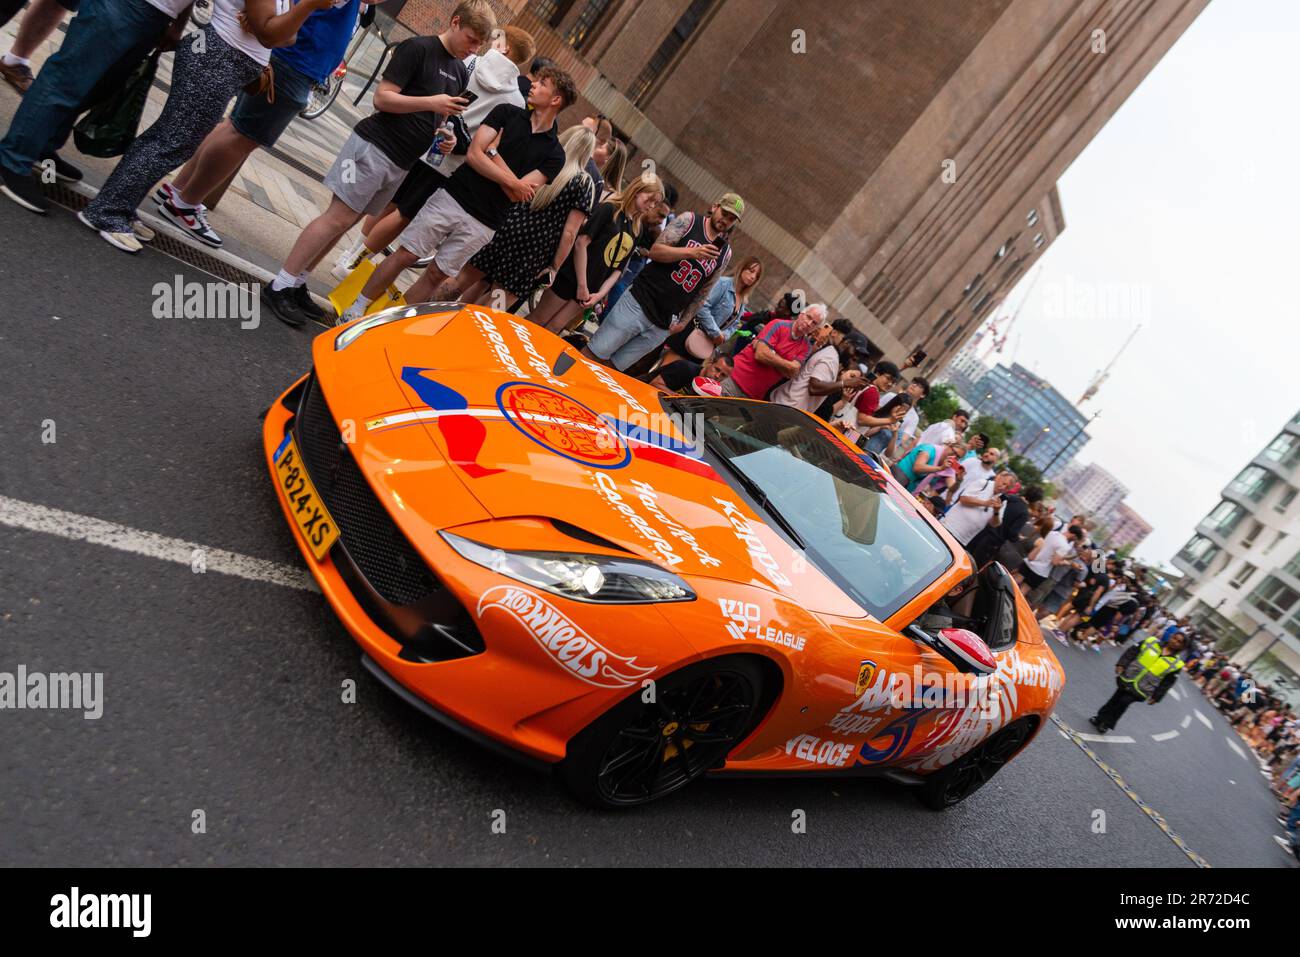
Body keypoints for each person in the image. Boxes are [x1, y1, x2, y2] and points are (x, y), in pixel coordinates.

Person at [263, 1, 493, 326]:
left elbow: (438, 118)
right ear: (455, 23)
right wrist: (431, 102)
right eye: (471, 39)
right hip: (373, 146)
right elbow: (382, 98)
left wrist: (446, 134)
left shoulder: (457, 71)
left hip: (402, 161)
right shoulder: (417, 48)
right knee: (336, 217)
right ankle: (281, 284)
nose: (474, 49)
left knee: (347, 222)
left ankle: (298, 283)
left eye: (479, 44)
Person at [77, 0, 334, 253]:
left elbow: (287, 37)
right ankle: (107, 210)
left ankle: (121, 205)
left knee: (175, 141)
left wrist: (274, 23)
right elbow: (269, 36)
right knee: (170, 141)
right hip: (215, 58)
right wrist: (307, 6)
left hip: (223, 61)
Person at [338, 65, 573, 323]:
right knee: (406, 254)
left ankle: (387, 323)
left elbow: (519, 194)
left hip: (486, 221)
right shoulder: (506, 112)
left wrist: (493, 154)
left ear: (556, 99)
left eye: (542, 84)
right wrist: (508, 177)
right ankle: (357, 308)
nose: (534, 86)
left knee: (436, 275)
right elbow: (474, 156)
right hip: (453, 196)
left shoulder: (555, 154)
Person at [156, 0, 366, 248]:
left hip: (295, 59)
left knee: (234, 128)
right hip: (296, 61)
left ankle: (180, 190)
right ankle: (185, 203)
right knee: (243, 136)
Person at [339, 22, 535, 277]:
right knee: (404, 214)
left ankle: (349, 254)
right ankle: (355, 262)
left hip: (423, 139)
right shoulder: (516, 101)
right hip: (450, 161)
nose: (487, 42)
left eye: (496, 38)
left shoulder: (468, 62)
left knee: (390, 203)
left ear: (505, 48)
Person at [0, 0, 194, 214]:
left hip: (159, 13)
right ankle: (12, 159)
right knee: (69, 78)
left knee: (95, 86)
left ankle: (41, 145)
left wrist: (178, 23)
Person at [584, 193, 743, 371]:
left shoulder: (725, 253)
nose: (726, 220)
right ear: (715, 207)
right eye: (724, 213)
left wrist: (683, 321)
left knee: (611, 369)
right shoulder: (690, 221)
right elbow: (655, 252)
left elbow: (705, 290)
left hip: (664, 323)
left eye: (731, 219)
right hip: (640, 301)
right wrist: (691, 253)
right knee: (594, 353)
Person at [449, 124, 595, 309]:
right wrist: (555, 267)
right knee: (496, 303)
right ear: (586, 152)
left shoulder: (546, 161)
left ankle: (428, 315)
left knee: (462, 279)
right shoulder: (583, 183)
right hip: (532, 251)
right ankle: (458, 332)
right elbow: (569, 233)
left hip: (507, 225)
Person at [526, 171, 663, 335]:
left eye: (656, 203)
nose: (652, 206)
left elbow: (618, 269)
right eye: (650, 199)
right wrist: (582, 285)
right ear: (638, 190)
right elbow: (581, 243)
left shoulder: (637, 228)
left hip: (591, 290)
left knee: (554, 328)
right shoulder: (609, 209)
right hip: (571, 277)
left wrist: (600, 294)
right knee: (538, 320)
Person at [659, 255, 763, 368]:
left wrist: (724, 336)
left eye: (756, 276)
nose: (752, 277)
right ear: (742, 268)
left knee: (679, 377)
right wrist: (716, 333)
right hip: (692, 332)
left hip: (706, 344)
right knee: (665, 369)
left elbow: (734, 325)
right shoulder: (723, 284)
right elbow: (702, 307)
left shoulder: (743, 300)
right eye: (751, 271)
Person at [1089, 632, 1187, 733]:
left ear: (1182, 646)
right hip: (1129, 677)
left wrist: (1157, 697)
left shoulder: (1177, 663)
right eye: (1174, 638)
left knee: (1124, 702)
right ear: (1171, 637)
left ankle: (1106, 724)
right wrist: (1122, 664)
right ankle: (1099, 718)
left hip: (1144, 688)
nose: (1175, 642)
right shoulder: (1151, 642)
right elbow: (1132, 651)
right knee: (1116, 698)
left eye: (1179, 642)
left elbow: (1168, 682)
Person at [721, 301, 821, 399]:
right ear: (801, 314)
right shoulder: (778, 325)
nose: (809, 323)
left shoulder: (806, 347)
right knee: (706, 412)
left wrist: (771, 353)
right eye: (808, 317)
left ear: (815, 328)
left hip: (753, 396)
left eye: (814, 323)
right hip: (734, 379)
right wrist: (787, 365)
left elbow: (792, 372)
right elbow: (760, 355)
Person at [771, 314, 859, 415]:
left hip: (785, 404)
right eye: (850, 343)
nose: (853, 352)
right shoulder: (831, 356)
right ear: (834, 333)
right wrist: (844, 384)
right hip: (786, 408)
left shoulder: (827, 351)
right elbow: (814, 388)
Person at [942, 469, 1017, 547]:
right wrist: (984, 503)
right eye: (1004, 483)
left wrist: (996, 511)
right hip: (949, 526)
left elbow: (994, 524)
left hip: (963, 538)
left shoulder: (1002, 501)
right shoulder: (983, 483)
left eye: (1007, 487)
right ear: (999, 478)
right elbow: (963, 499)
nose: (1003, 487)